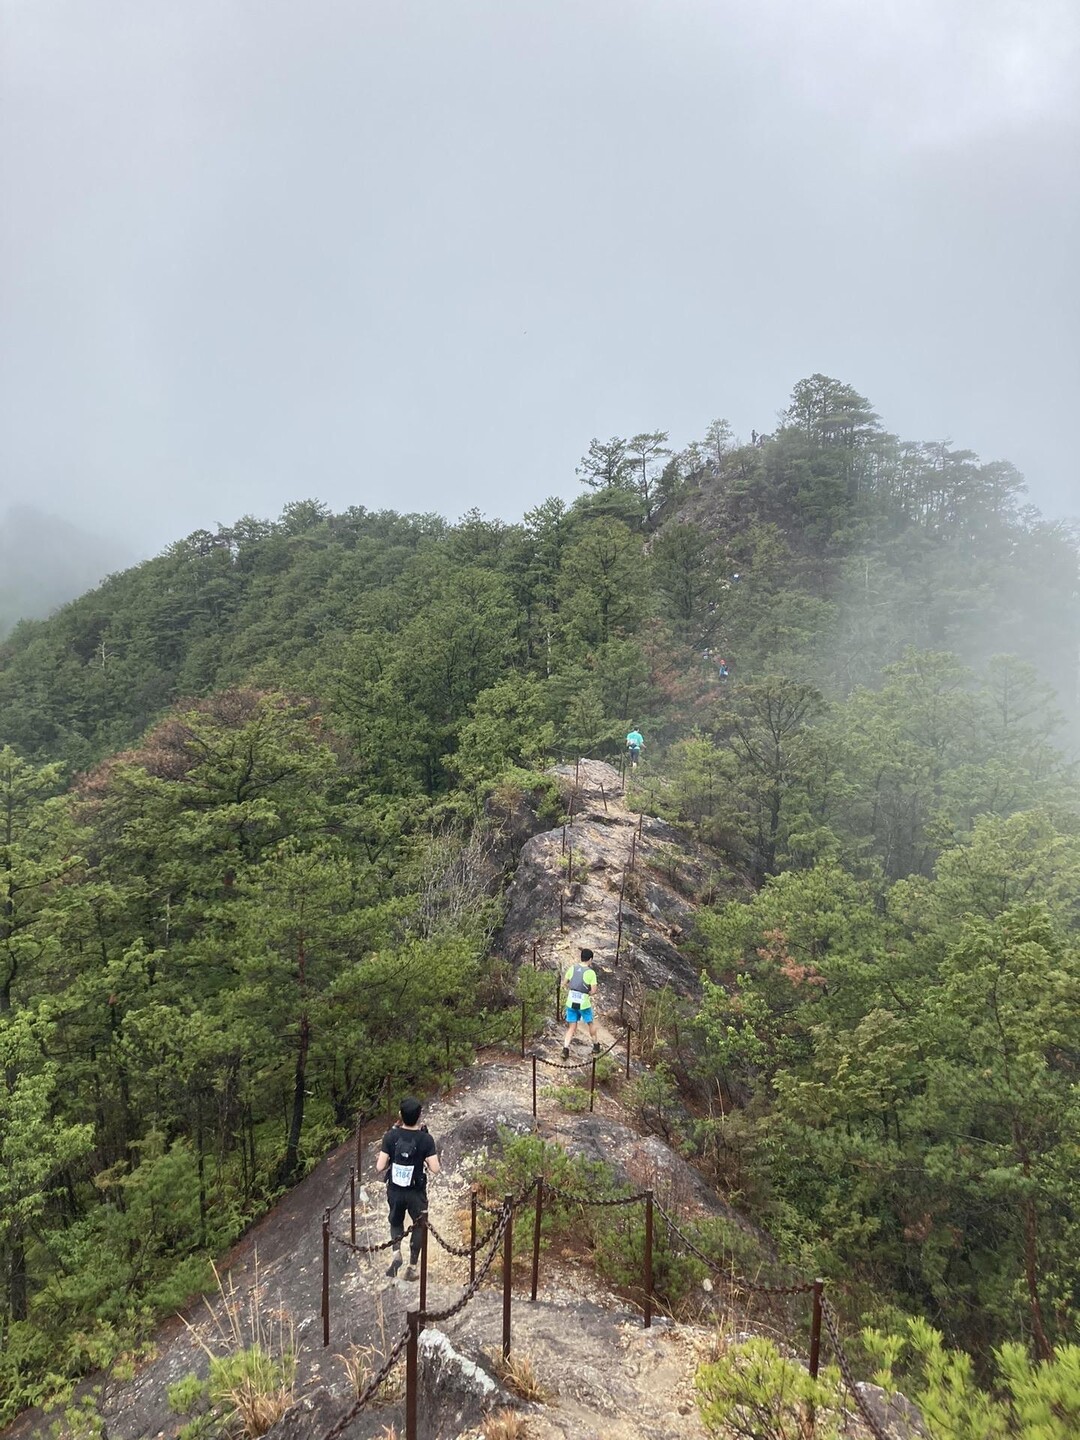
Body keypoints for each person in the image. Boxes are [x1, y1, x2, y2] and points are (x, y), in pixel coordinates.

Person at [376, 1097, 440, 1280]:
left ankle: (396, 1253)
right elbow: (435, 1168)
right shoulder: (425, 1139)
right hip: (416, 1192)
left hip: (395, 1190)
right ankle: (412, 1267)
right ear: (419, 1116)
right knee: (419, 1225)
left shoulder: (390, 1136)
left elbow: (380, 1166)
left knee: (396, 1222)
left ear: (400, 1115)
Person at [562, 947, 600, 1060]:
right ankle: (596, 1045)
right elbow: (593, 990)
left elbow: (565, 983)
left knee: (572, 1027)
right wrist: (587, 993)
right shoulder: (590, 973)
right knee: (590, 1023)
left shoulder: (572, 968)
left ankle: (565, 1048)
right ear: (590, 959)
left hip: (571, 1001)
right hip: (583, 1002)